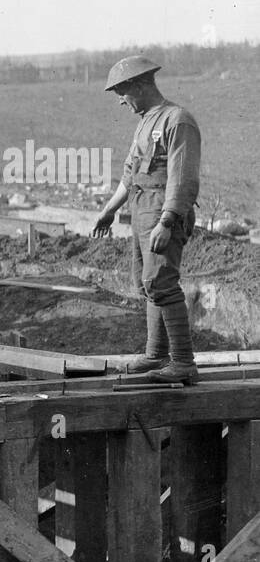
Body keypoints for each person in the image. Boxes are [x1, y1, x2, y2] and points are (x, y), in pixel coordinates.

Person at [92, 56, 201, 384]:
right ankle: (156, 355)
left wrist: (168, 221)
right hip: (142, 210)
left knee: (161, 282)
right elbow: (130, 175)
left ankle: (183, 363)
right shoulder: (144, 124)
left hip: (162, 211)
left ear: (140, 86)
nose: (121, 101)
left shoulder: (177, 120)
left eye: (122, 93)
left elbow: (182, 178)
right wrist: (109, 209)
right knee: (147, 283)